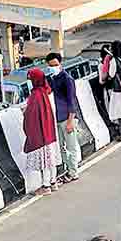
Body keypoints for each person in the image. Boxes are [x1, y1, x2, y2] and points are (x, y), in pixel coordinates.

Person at [22, 68, 61, 195]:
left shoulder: (35, 95)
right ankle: (53, 182)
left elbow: (31, 115)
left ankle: (45, 186)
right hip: (49, 131)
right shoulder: (46, 91)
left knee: (44, 160)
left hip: (41, 133)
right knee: (51, 159)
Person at [44, 53, 81, 184]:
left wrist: (70, 121)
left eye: (55, 65)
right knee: (62, 148)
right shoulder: (52, 78)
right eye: (50, 65)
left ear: (60, 64)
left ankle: (73, 172)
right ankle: (68, 169)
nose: (53, 67)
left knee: (71, 147)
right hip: (57, 118)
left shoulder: (67, 79)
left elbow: (72, 101)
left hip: (67, 118)